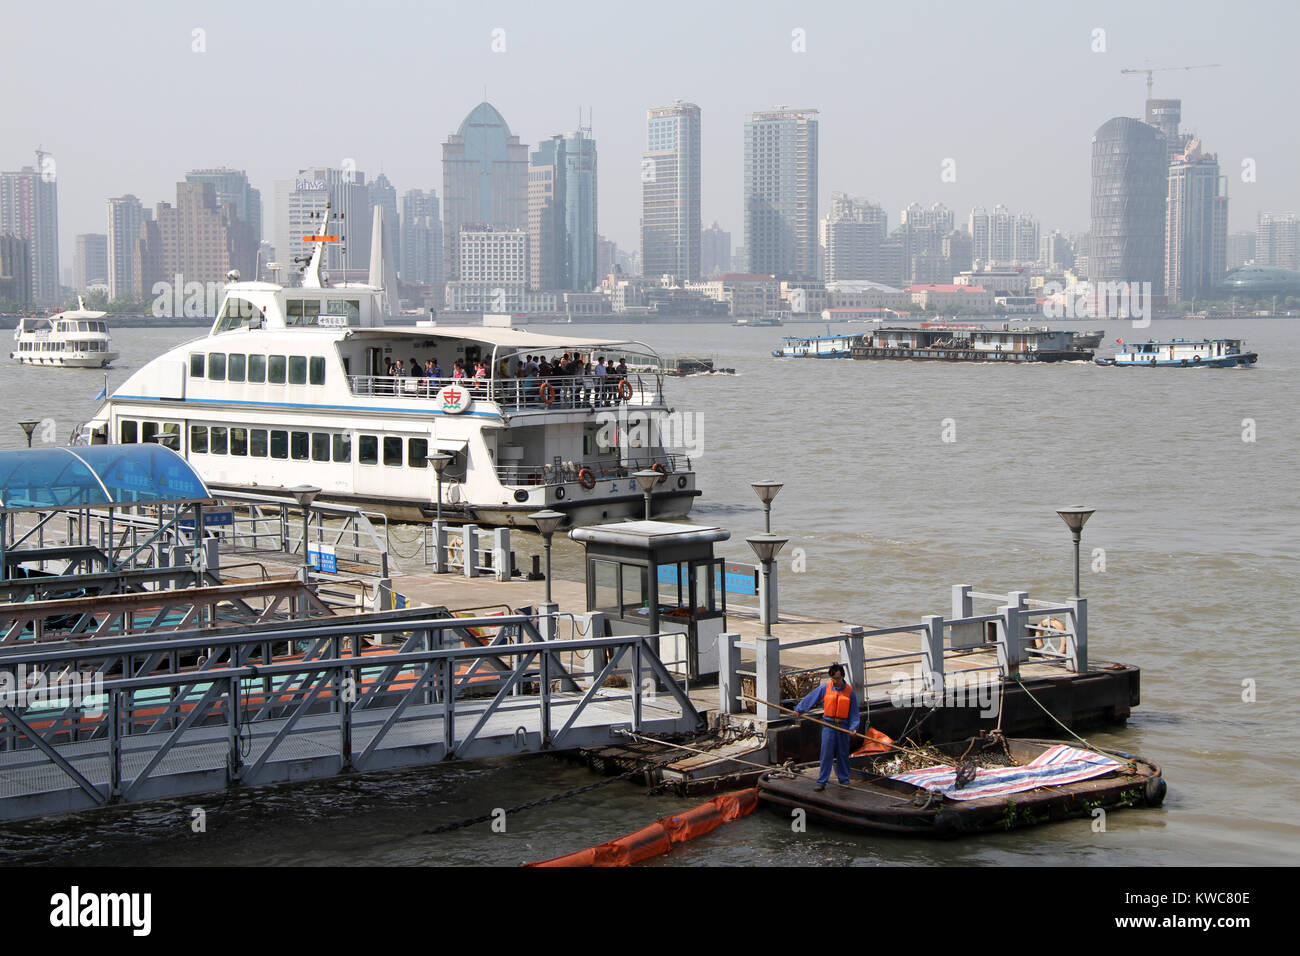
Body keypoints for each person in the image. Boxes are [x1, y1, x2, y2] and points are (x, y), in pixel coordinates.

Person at [793, 664, 860, 791]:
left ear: (843, 677)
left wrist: (853, 727)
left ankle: (844, 780)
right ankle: (822, 781)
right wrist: (800, 709)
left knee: (843, 753)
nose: (835, 681)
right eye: (833, 678)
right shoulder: (826, 687)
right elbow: (812, 698)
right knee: (826, 753)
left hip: (843, 726)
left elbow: (854, 713)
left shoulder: (850, 692)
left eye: (838, 678)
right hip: (828, 725)